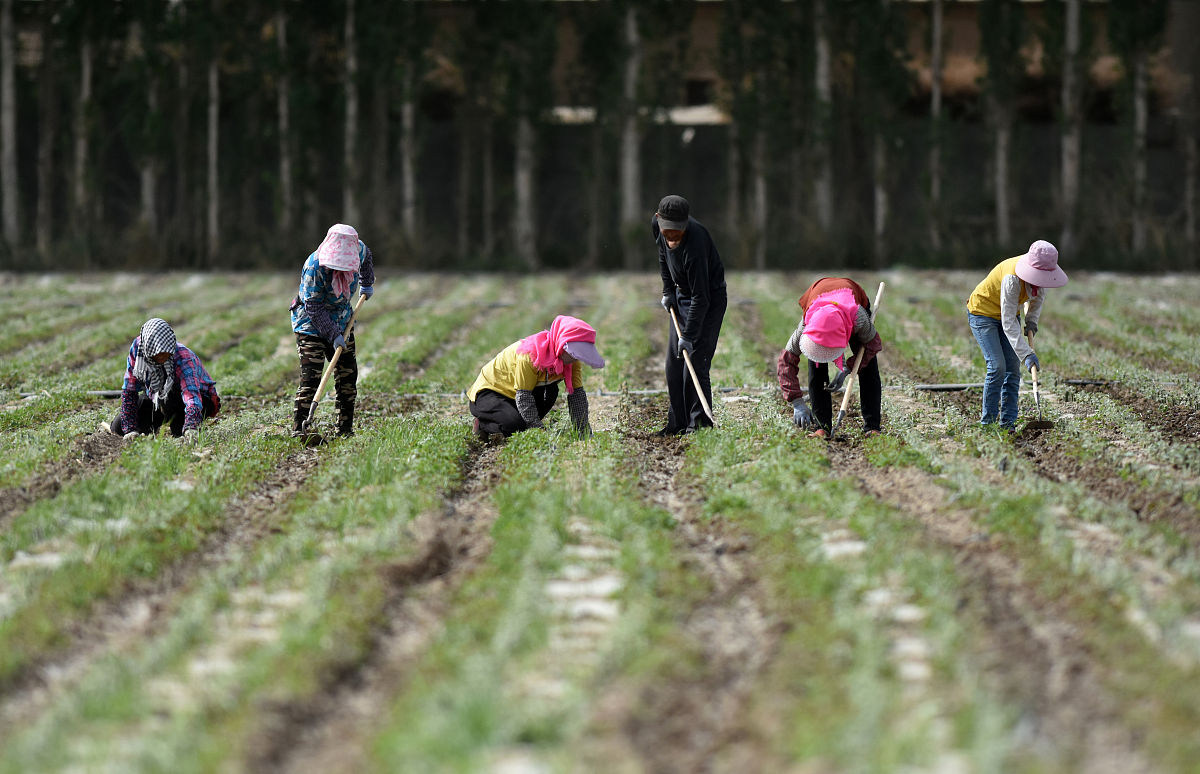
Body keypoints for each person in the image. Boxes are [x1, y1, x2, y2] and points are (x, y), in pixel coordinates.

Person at [966, 239, 1068, 430]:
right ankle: (988, 424)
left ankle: (1008, 425)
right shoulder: (1012, 278)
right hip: (983, 313)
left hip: (1009, 316)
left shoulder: (1040, 279)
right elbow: (1007, 322)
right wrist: (1027, 354)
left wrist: (1031, 322)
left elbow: (1037, 300)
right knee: (997, 367)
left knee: (1013, 370)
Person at [290, 223, 375, 438]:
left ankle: (344, 429)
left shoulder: (359, 250)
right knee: (311, 377)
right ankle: (300, 428)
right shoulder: (314, 267)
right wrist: (332, 334)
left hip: (342, 318)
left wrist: (367, 282)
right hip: (309, 323)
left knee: (348, 377)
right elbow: (313, 306)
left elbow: (367, 259)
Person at [653, 194, 727, 435]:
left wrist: (690, 335)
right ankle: (677, 424)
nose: (672, 238)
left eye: (678, 233)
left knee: (695, 362)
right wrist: (668, 291)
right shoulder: (658, 227)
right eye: (668, 233)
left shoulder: (696, 241)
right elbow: (663, 257)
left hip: (709, 300)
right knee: (673, 366)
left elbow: (701, 297)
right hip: (682, 295)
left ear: (686, 225)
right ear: (658, 220)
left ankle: (699, 425)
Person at [467, 315, 605, 439]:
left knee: (551, 392)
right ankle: (482, 425)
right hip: (491, 393)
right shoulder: (530, 355)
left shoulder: (571, 361)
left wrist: (583, 430)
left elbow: (577, 395)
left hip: (516, 394)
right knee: (515, 426)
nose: (575, 358)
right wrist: (537, 428)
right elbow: (524, 396)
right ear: (562, 344)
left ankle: (522, 423)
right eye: (574, 352)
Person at [777, 278, 883, 438]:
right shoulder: (807, 324)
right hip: (817, 302)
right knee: (816, 369)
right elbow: (786, 362)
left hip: (850, 305)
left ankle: (872, 426)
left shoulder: (859, 317)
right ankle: (822, 427)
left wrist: (850, 367)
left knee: (868, 368)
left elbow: (872, 347)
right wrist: (796, 401)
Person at [105, 317, 220, 440]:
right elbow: (129, 389)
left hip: (199, 399)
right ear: (149, 349)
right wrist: (130, 428)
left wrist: (191, 425)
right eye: (157, 353)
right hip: (157, 397)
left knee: (180, 431)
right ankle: (153, 423)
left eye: (166, 353)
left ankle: (183, 424)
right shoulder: (138, 350)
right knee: (118, 428)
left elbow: (191, 395)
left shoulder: (183, 357)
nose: (162, 357)